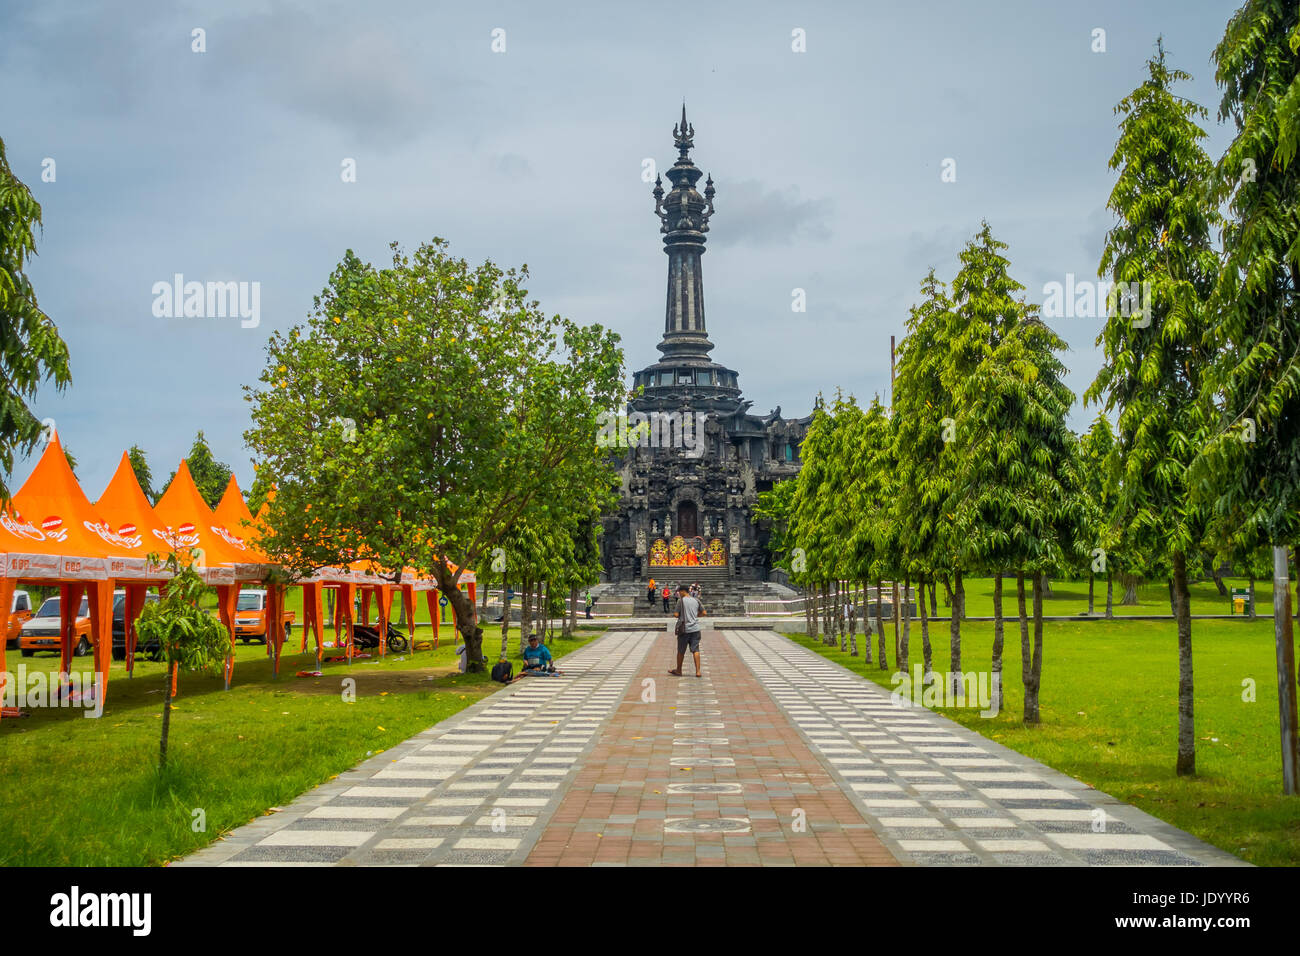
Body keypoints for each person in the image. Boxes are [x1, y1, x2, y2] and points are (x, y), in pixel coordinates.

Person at [669, 584, 703, 678]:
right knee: (695, 650)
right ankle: (698, 671)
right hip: (696, 629)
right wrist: (695, 616)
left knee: (681, 651)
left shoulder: (681, 601)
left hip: (684, 629)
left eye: (679, 592)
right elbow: (704, 612)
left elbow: (676, 614)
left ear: (683, 591)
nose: (678, 594)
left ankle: (679, 670)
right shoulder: (696, 600)